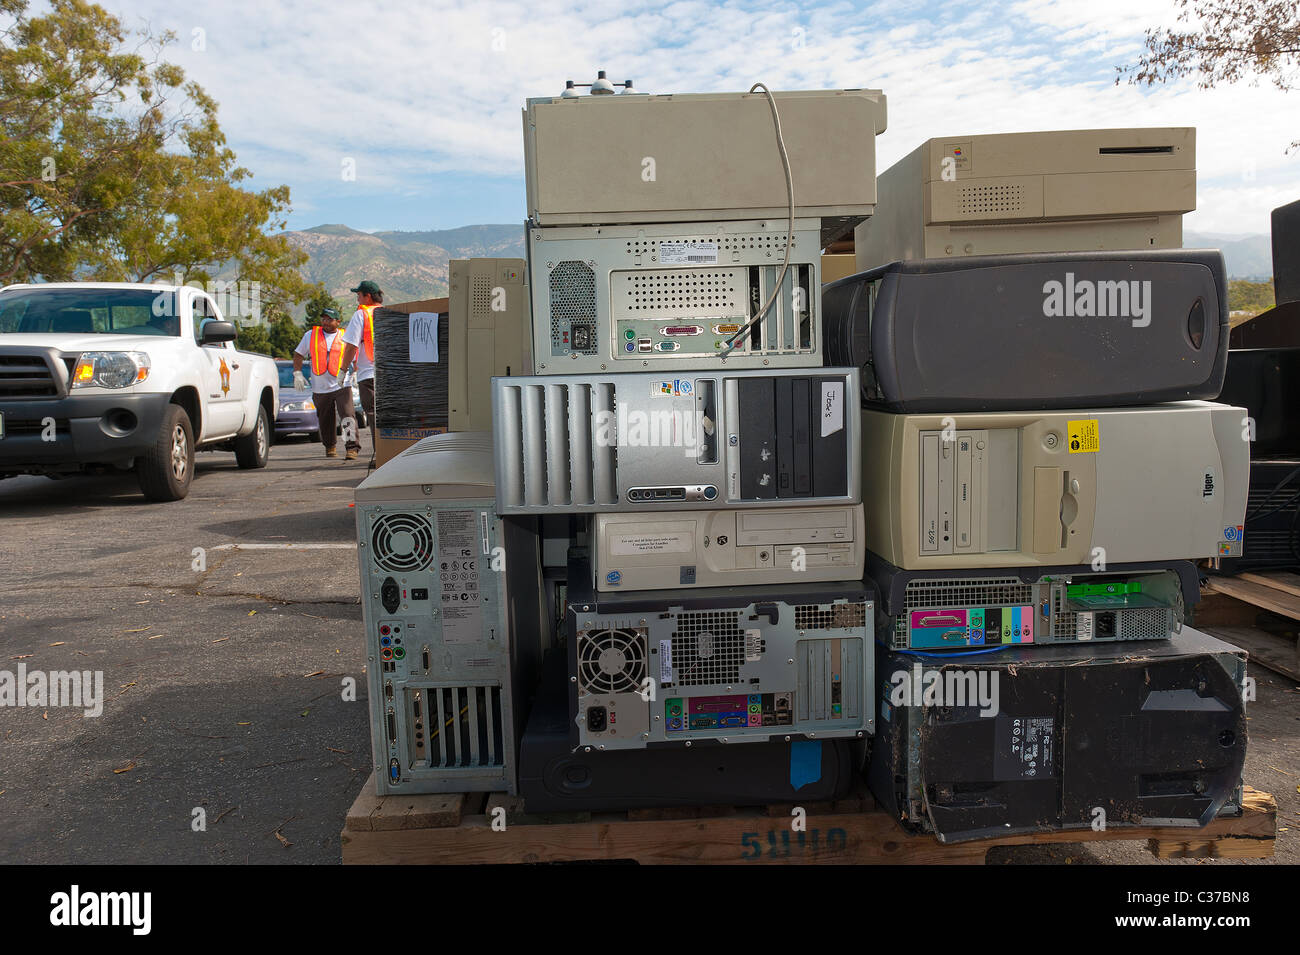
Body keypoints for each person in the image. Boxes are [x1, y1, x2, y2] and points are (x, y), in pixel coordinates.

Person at [292, 306, 361, 460]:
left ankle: (352, 448)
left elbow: (355, 356)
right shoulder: (310, 335)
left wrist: (355, 372)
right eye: (323, 319)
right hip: (320, 387)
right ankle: (330, 446)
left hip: (343, 384)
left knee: (347, 415)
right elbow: (298, 354)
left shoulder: (346, 336)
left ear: (338, 321)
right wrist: (297, 373)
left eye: (329, 319)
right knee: (325, 418)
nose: (325, 322)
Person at [340, 280, 381, 459]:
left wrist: (343, 370)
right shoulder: (387, 312)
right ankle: (392, 452)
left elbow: (350, 347)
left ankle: (381, 455)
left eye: (359, 295)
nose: (357, 298)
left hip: (369, 375)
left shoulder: (361, 315)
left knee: (373, 416)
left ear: (367, 296)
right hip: (389, 375)